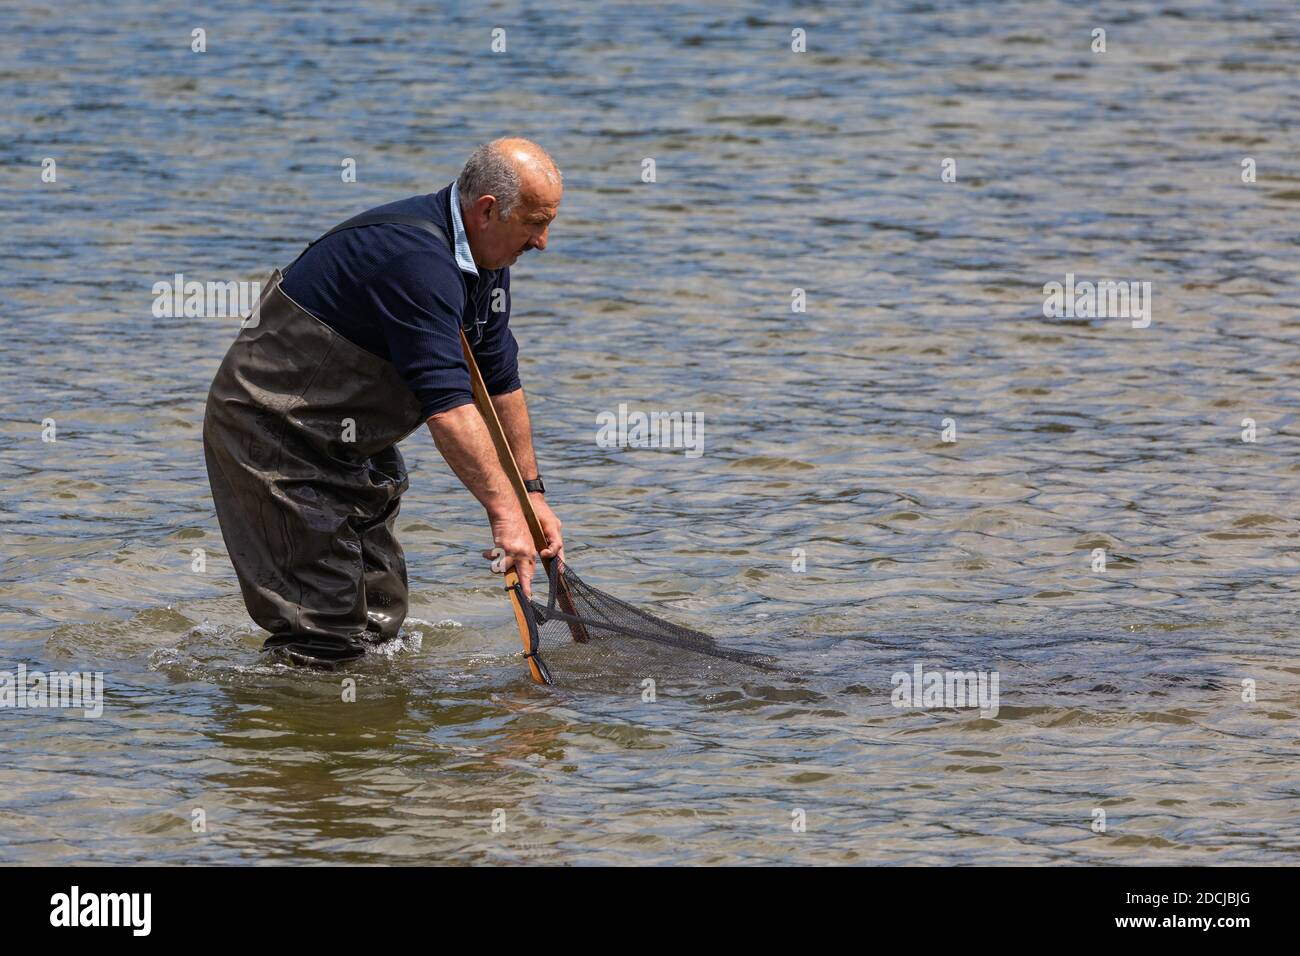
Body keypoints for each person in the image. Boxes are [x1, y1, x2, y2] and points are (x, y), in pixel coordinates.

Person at [203, 137, 564, 666]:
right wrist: (504, 514)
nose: (543, 241)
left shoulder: (483, 259)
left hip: (351, 442)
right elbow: (448, 406)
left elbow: (498, 378)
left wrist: (530, 494)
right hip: (273, 434)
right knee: (321, 629)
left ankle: (371, 733)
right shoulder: (416, 261)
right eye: (535, 222)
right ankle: (291, 736)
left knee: (379, 616)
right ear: (487, 210)